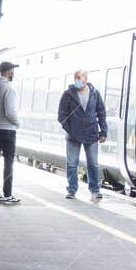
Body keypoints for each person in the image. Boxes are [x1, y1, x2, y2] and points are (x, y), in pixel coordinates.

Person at [56, 68, 107, 202]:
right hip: (73, 136)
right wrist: (70, 129)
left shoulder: (95, 94)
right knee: (72, 164)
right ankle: (72, 190)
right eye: (76, 78)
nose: (77, 81)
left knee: (93, 163)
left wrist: (103, 131)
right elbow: (61, 115)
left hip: (91, 134)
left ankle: (95, 190)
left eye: (79, 78)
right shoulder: (68, 94)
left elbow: (101, 113)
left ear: (86, 79)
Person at [0, 61, 21, 205]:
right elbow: (10, 112)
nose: (13, 73)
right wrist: (17, 123)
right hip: (8, 130)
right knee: (8, 162)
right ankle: (8, 194)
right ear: (9, 72)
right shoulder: (8, 88)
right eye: (12, 70)